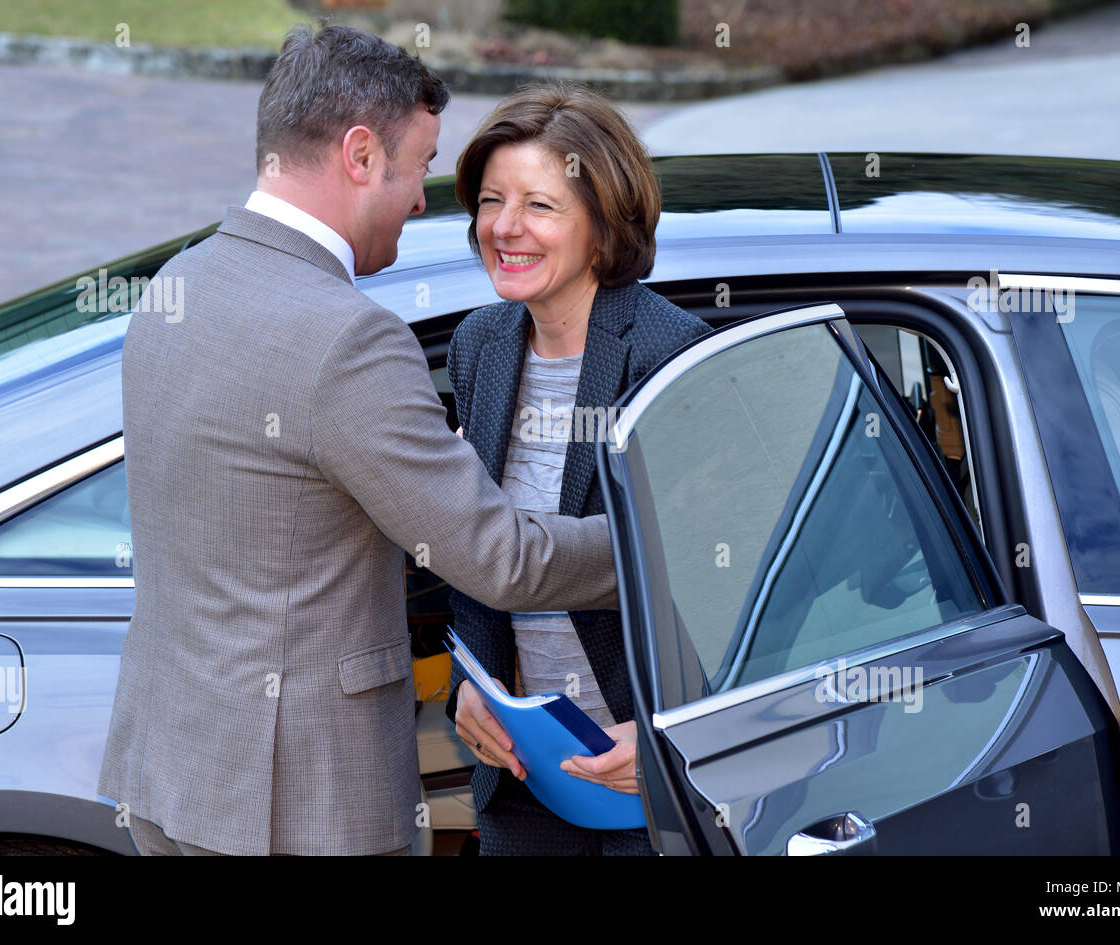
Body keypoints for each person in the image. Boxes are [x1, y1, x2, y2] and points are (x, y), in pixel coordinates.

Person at [97, 28, 619, 857]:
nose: (422, 198)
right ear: (361, 154)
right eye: (420, 165)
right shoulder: (348, 340)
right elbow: (501, 559)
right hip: (299, 805)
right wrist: (660, 549)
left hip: (173, 774)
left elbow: (272, 510)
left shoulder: (177, 283)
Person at [445, 83, 711, 855]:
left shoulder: (672, 354)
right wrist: (470, 690)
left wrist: (671, 733)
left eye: (539, 205)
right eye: (492, 201)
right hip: (525, 778)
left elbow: (725, 575)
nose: (504, 227)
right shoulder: (478, 346)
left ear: (602, 228)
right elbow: (472, 543)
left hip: (648, 783)